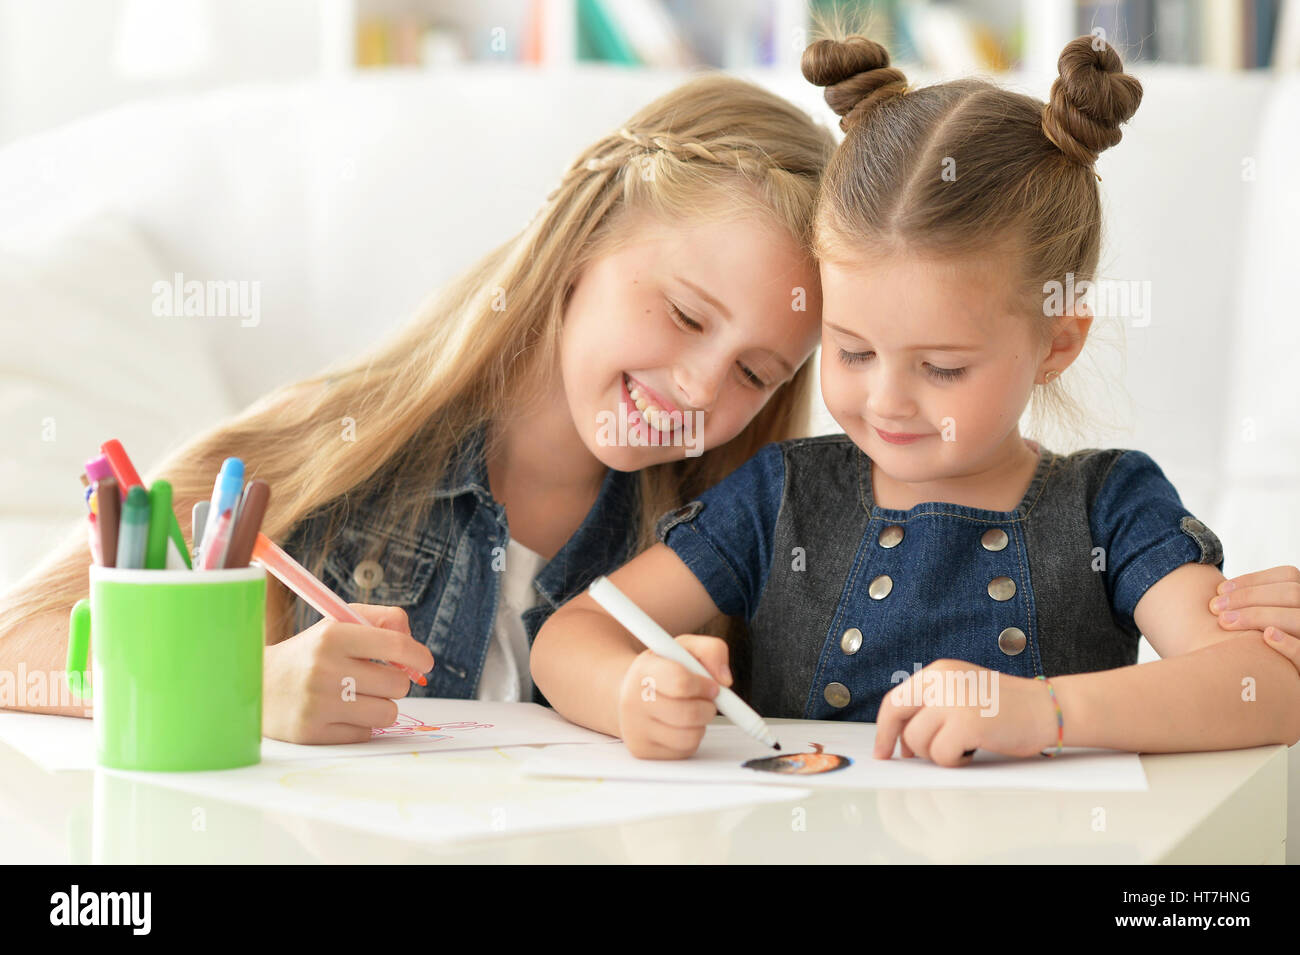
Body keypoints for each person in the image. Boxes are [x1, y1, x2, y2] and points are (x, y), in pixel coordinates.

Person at [531, 35, 1300, 765]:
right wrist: (631, 691)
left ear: (1057, 342)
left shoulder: (1111, 505)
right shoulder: (781, 496)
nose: (886, 400)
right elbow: (573, 633)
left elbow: (1263, 685)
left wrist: (1047, 712)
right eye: (853, 351)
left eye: (940, 366)